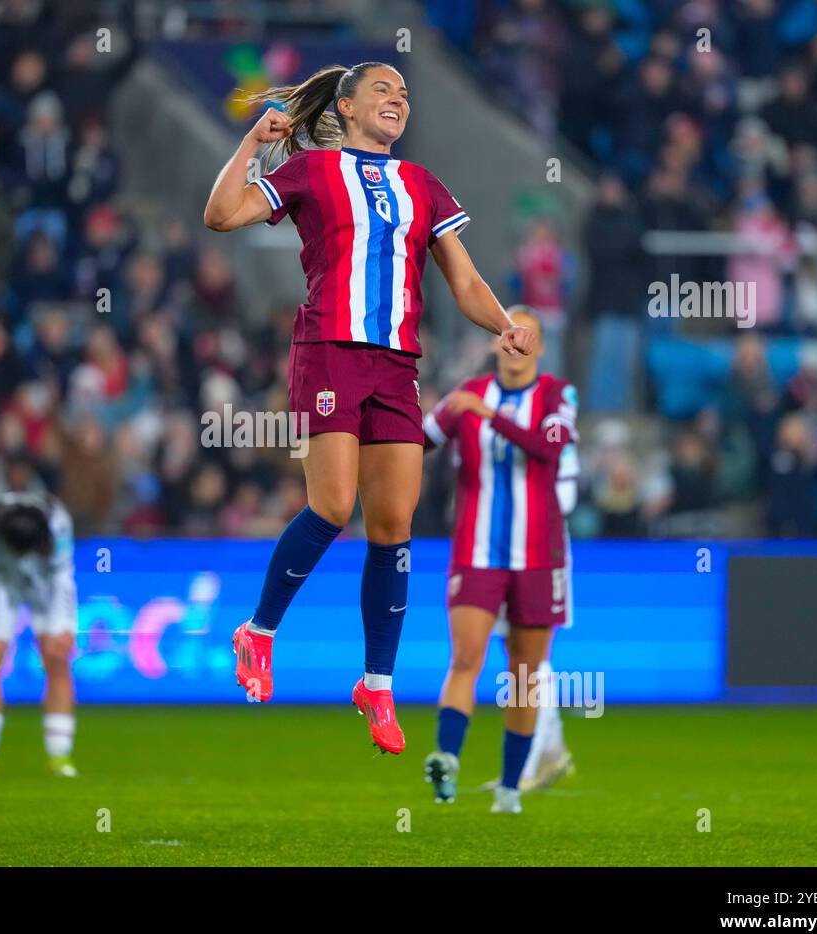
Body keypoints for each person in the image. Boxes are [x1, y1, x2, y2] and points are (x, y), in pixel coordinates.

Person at [203, 61, 535, 754]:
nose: (398, 99)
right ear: (347, 107)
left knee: (393, 526)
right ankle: (258, 632)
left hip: (396, 363)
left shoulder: (423, 184)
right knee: (332, 506)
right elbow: (222, 215)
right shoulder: (312, 170)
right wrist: (252, 145)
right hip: (329, 348)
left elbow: (465, 280)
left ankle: (376, 684)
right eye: (383, 89)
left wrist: (502, 322)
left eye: (405, 92)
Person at [419, 307, 576, 813]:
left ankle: (510, 788)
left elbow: (548, 449)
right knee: (466, 657)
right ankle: (447, 759)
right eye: (508, 331)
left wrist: (487, 417)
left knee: (526, 671)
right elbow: (417, 440)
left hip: (537, 555)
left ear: (540, 347)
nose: (515, 341)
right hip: (477, 551)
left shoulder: (556, 395)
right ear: (495, 342)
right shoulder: (467, 394)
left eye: (525, 333)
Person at [0, 489, 79, 779]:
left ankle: (59, 756)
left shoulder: (59, 522)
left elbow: (62, 575)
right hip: (1, 578)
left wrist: (64, 626)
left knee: (57, 655)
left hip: (49, 578)